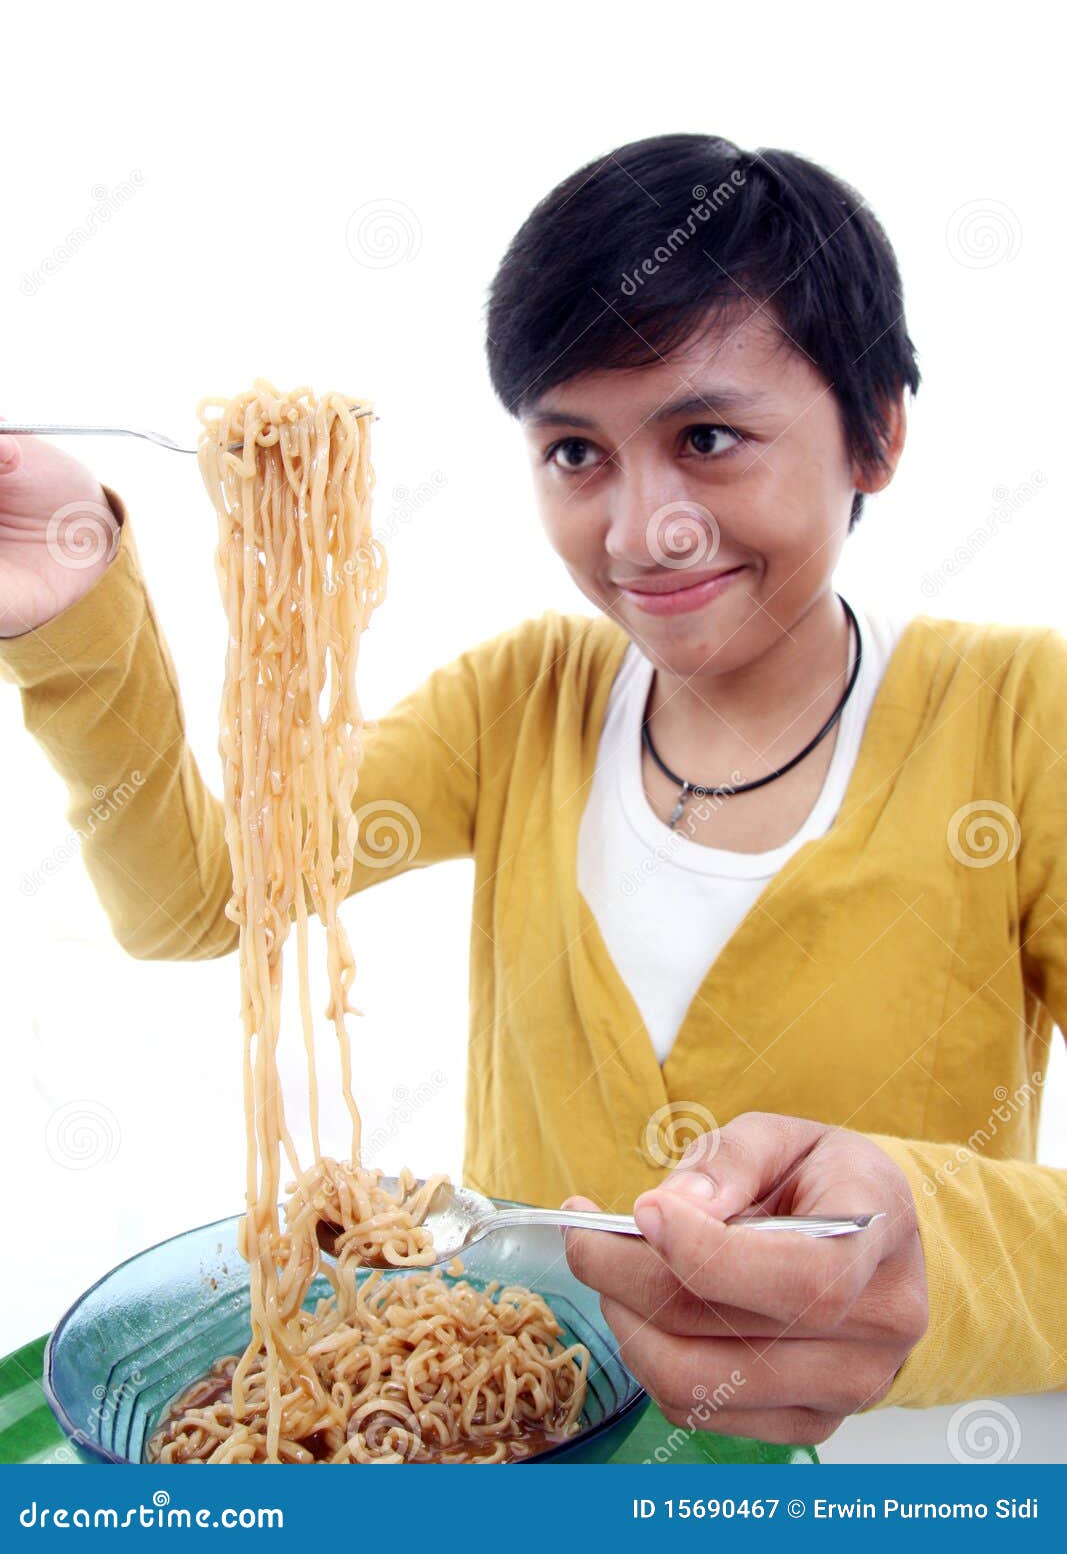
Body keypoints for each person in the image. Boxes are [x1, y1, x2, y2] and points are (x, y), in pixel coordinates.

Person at [2, 134, 1064, 1449]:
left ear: (877, 435)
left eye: (709, 435)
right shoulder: (524, 700)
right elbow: (211, 894)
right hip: (539, 1461)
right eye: (576, 453)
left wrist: (934, 1243)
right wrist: (73, 606)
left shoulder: (1025, 718)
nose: (641, 530)